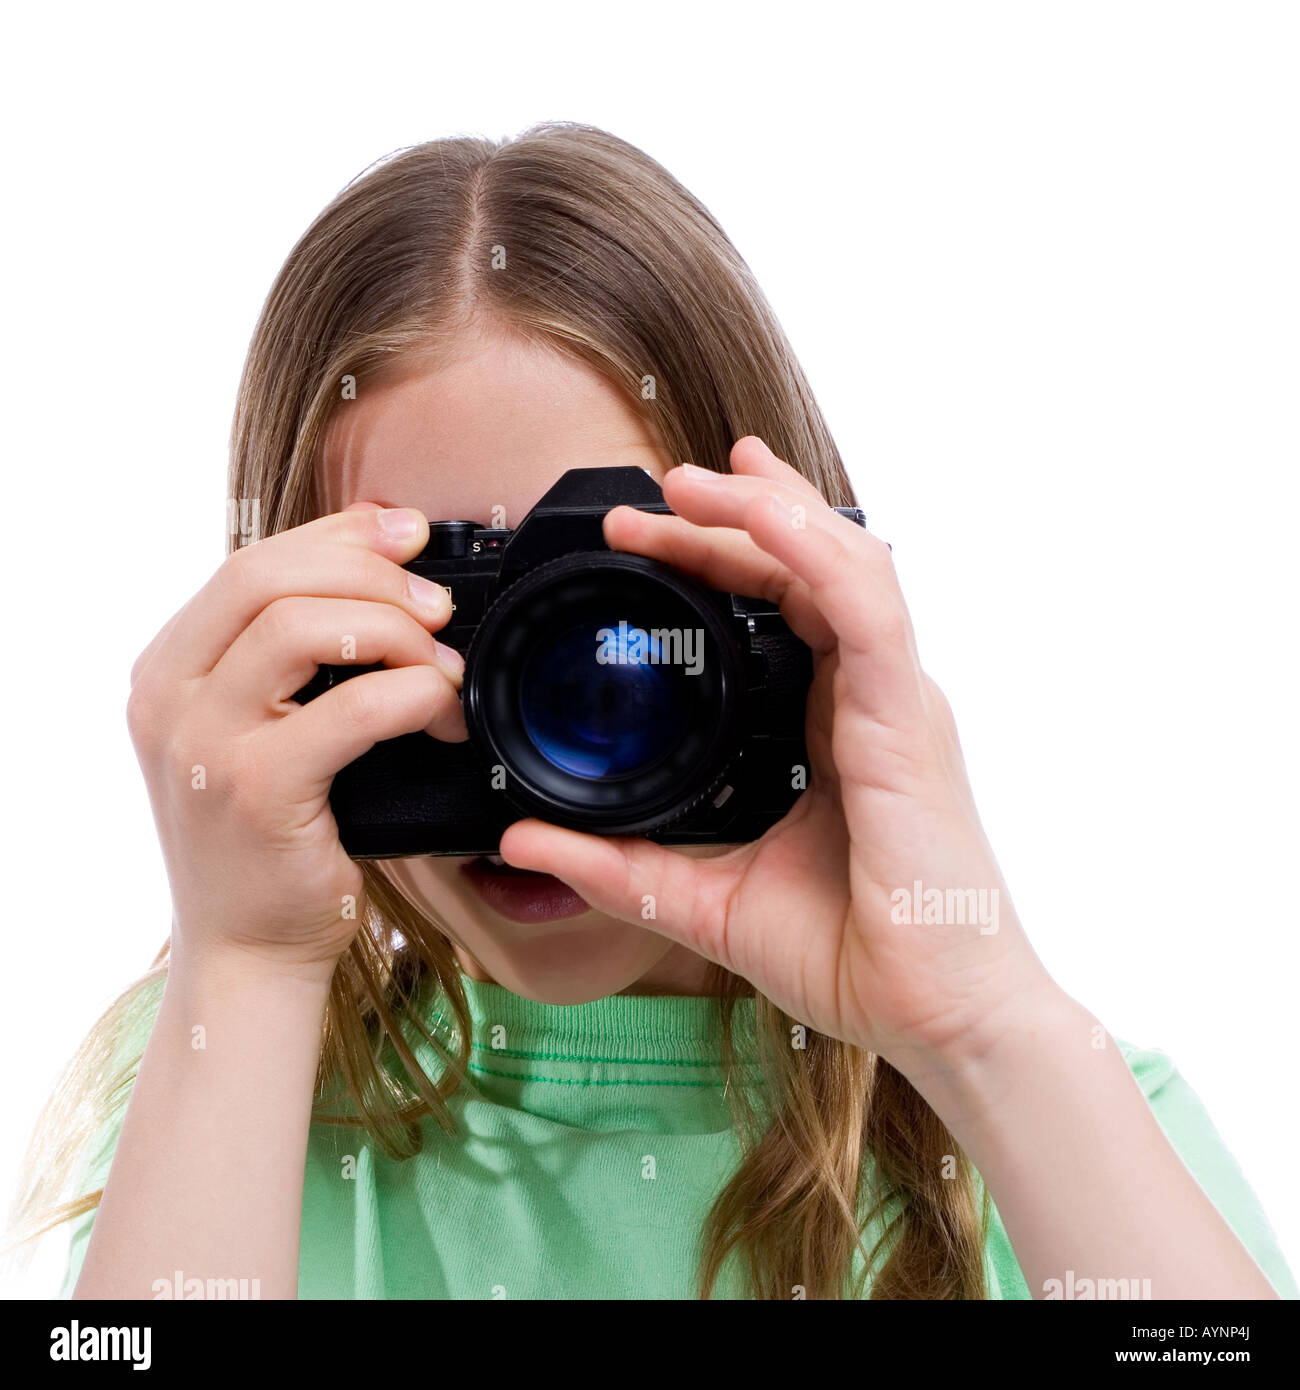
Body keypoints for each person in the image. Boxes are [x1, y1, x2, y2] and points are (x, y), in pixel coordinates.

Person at [10, 123, 1295, 1300]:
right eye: (438, 613)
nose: (527, 720)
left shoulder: (1058, 1118)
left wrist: (983, 1027)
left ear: (774, 601)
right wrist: (242, 966)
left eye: (611, 627)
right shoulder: (230, 1089)